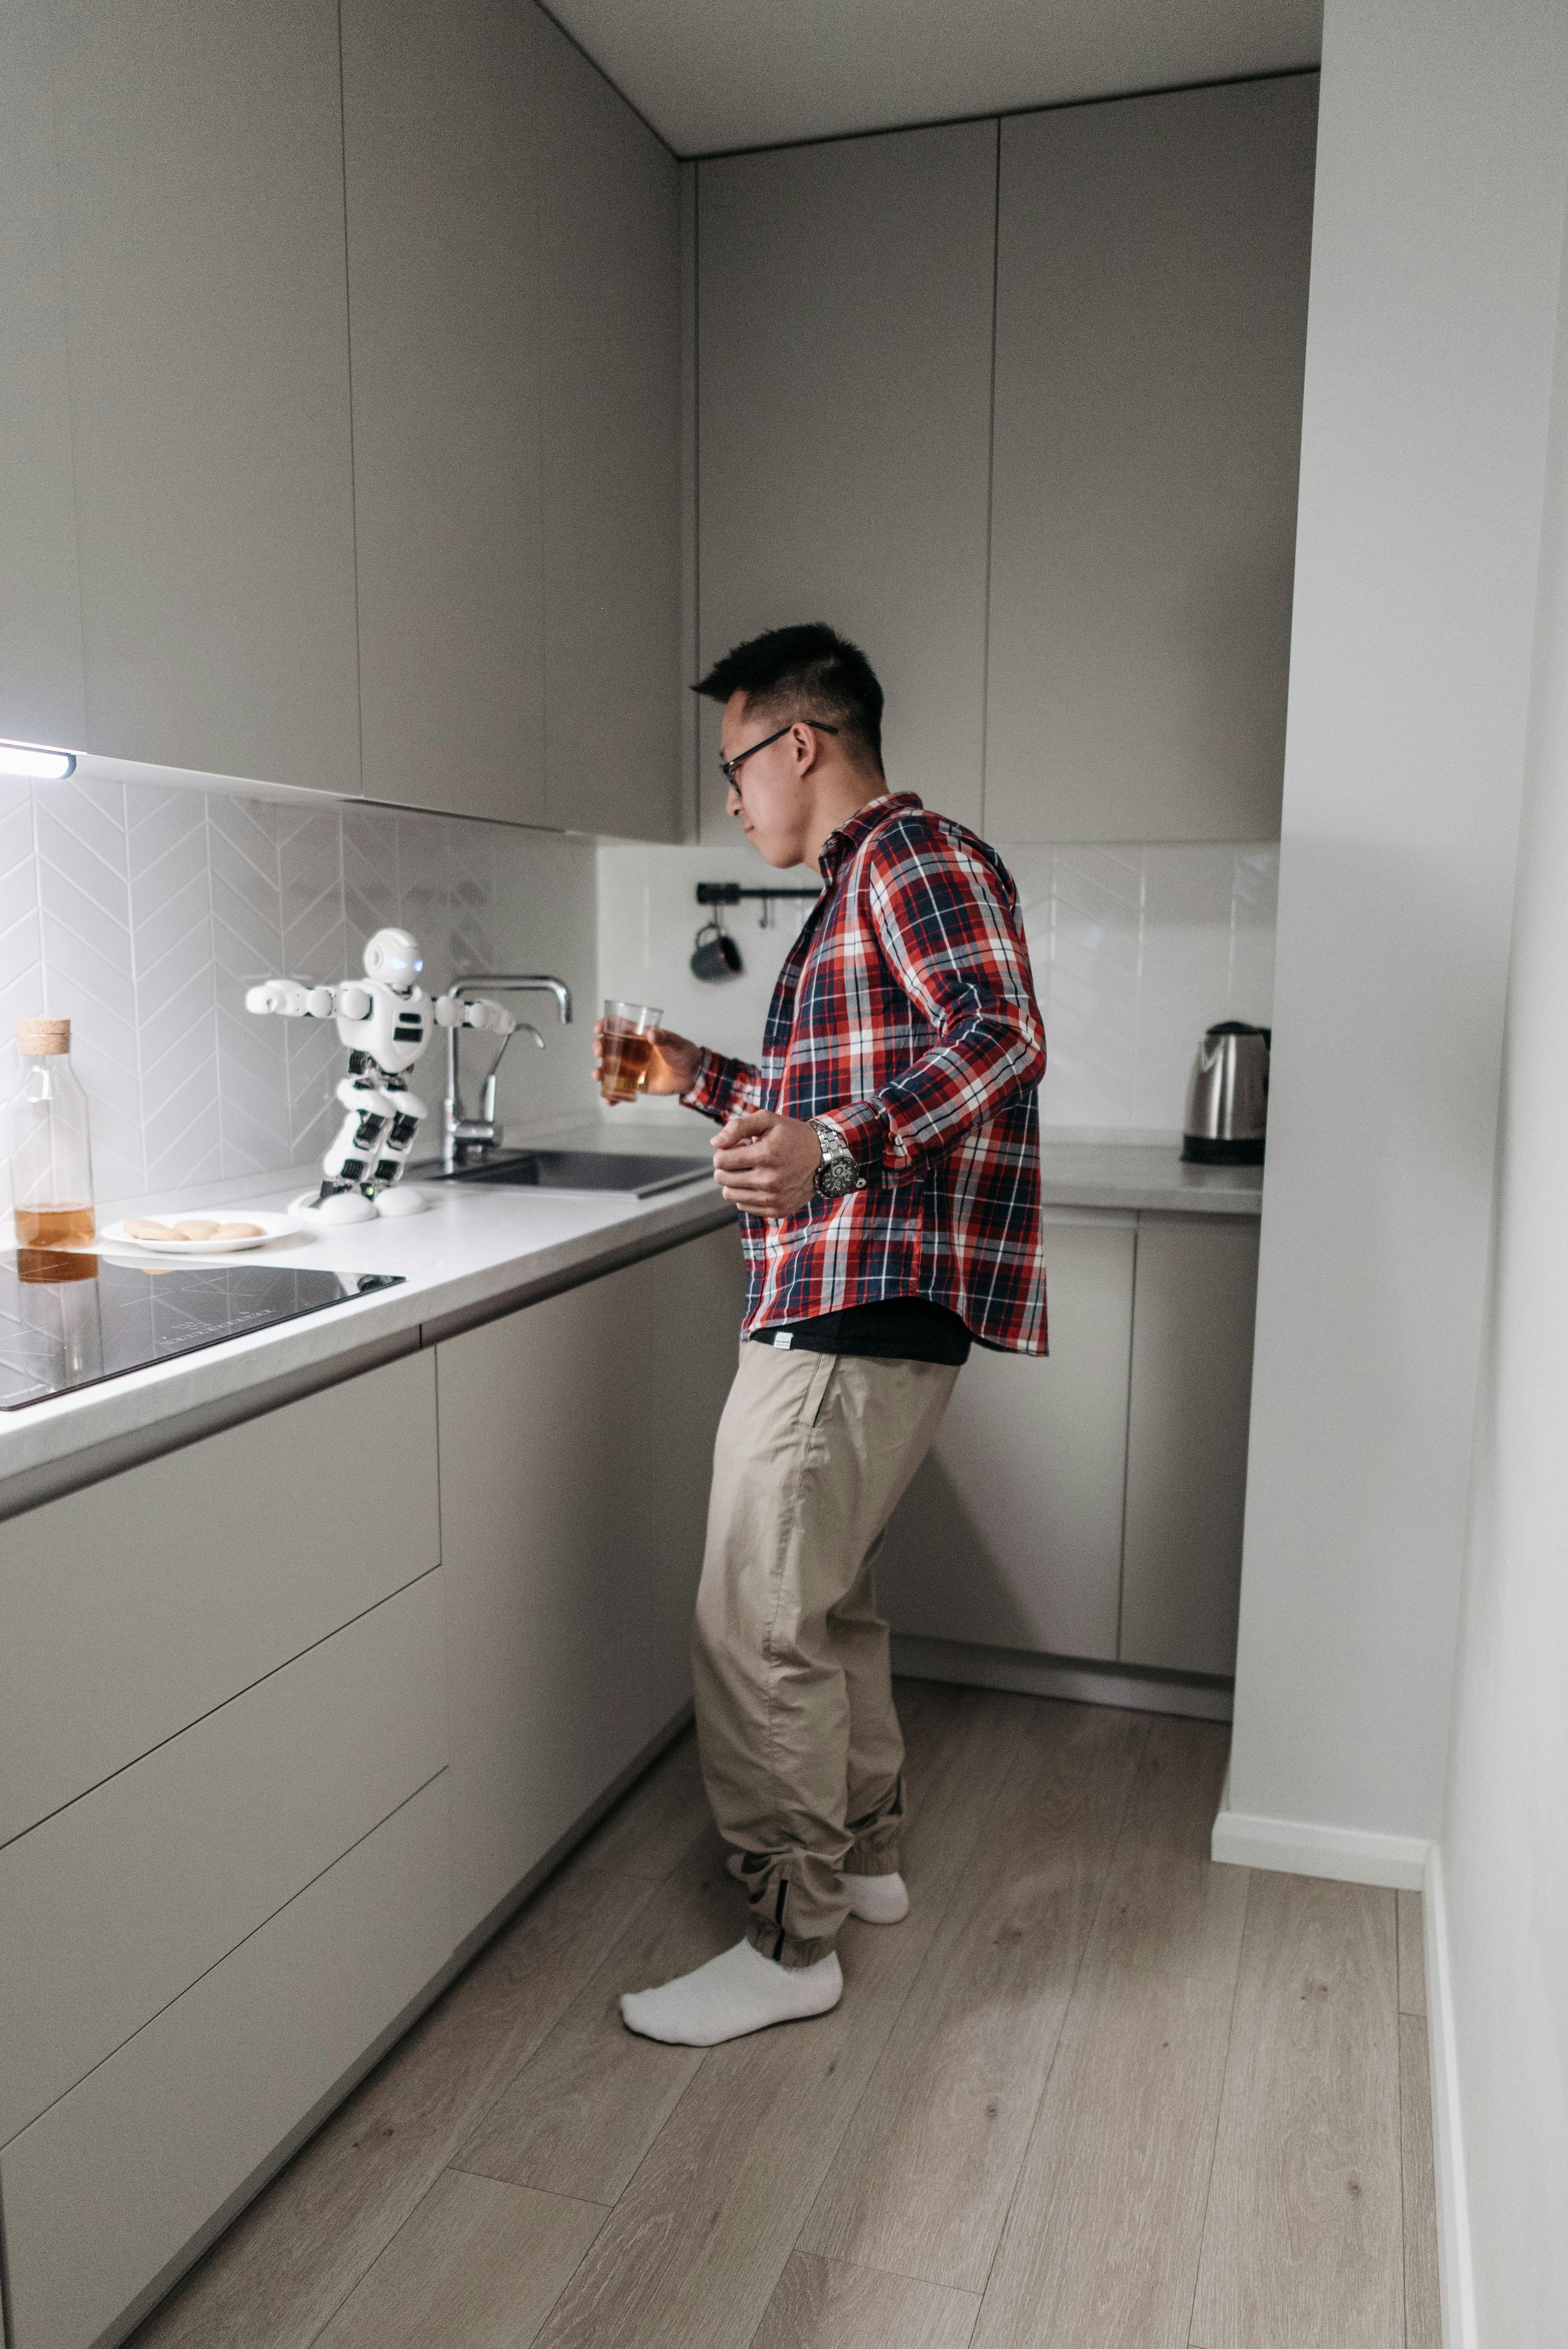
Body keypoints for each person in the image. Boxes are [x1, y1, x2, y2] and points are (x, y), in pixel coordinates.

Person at [610, 623, 1048, 2048]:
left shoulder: (912, 858)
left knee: (756, 1623)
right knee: (830, 1601)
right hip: (862, 1300)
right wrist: (693, 1077)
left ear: (799, 741)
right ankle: (861, 1865)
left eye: (735, 765)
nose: (731, 799)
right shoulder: (862, 886)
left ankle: (789, 1943)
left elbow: (999, 1035)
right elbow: (817, 1109)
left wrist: (843, 1155)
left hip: (850, 1309)